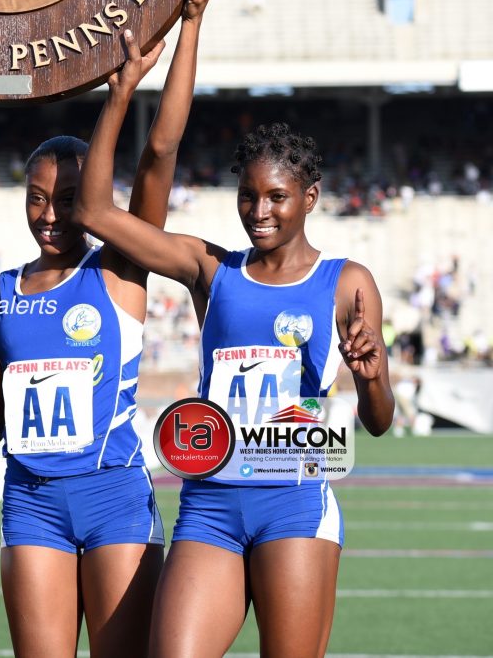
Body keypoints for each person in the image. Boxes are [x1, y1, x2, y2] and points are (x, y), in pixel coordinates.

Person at [73, 38, 395, 658]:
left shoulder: (346, 282)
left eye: (277, 196)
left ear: (310, 197)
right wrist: (119, 95)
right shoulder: (212, 270)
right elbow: (93, 211)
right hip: (210, 504)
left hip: (295, 503)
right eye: (248, 195)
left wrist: (372, 376)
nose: (259, 211)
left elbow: (378, 423)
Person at [0, 0, 215, 658]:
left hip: (114, 500)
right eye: (37, 199)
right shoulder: (2, 291)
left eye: (68, 200)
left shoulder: (120, 266)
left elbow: (161, 151)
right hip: (30, 501)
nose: (50, 215)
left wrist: (188, 27)